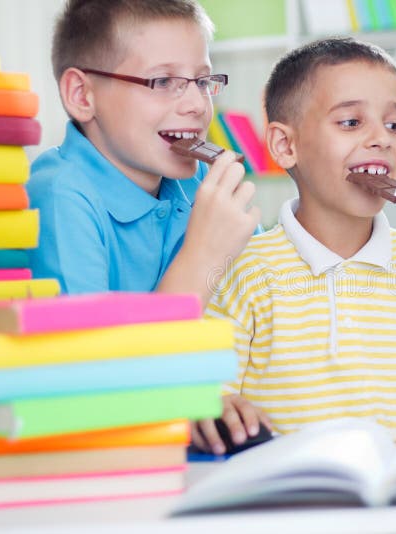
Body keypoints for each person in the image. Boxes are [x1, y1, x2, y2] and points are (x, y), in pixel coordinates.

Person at [194, 36, 396, 454]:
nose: (381, 139)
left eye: (394, 125)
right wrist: (214, 402)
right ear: (285, 146)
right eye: (351, 122)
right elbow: (212, 403)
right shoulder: (242, 269)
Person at [27, 0, 260, 307]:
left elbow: (269, 302)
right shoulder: (59, 198)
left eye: (202, 82)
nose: (198, 105)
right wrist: (203, 254)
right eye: (163, 81)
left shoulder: (203, 183)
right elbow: (95, 353)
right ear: (82, 95)